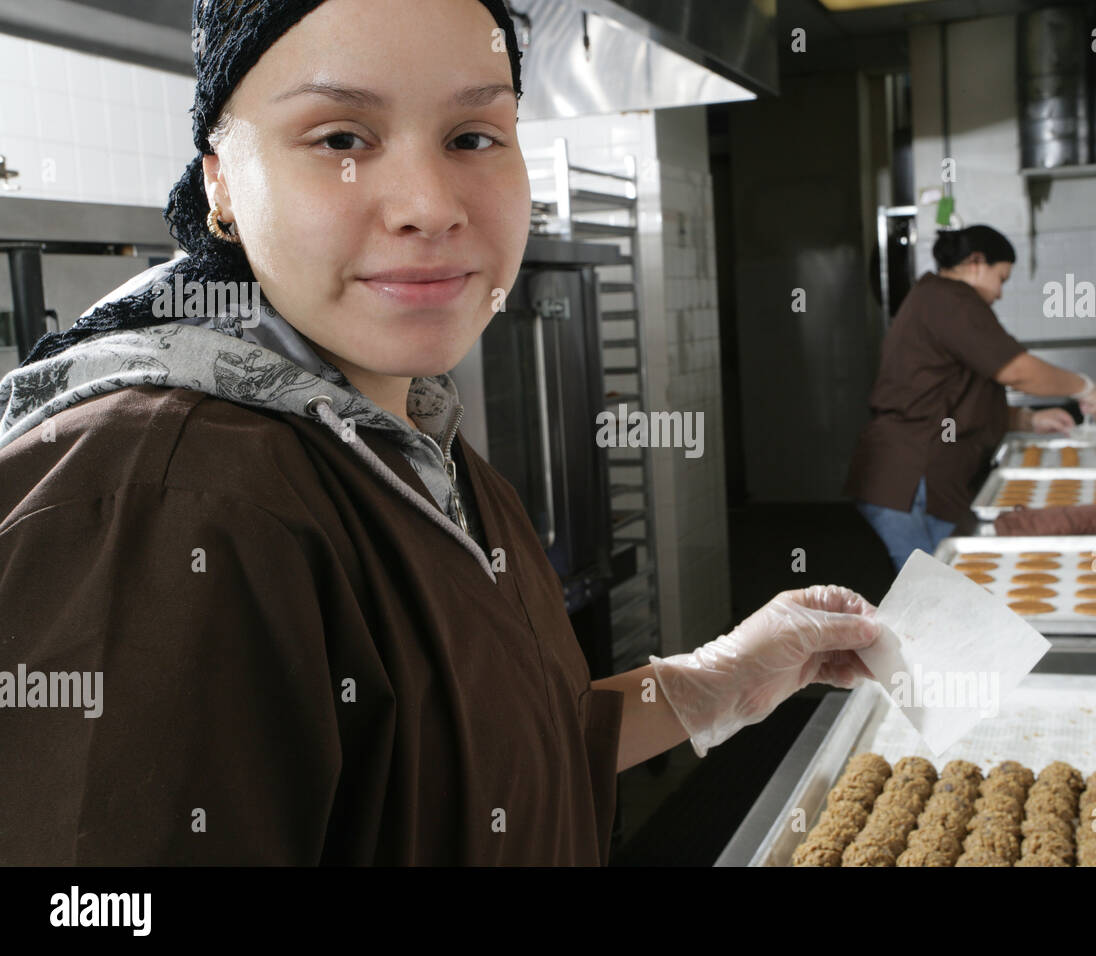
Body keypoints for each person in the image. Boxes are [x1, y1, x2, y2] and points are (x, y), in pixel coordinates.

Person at [0, 0, 878, 865]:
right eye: (340, 138)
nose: (430, 205)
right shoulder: (162, 498)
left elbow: (476, 769)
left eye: (472, 136)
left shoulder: (403, 437)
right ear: (220, 181)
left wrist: (716, 681)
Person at [843, 225, 1096, 572]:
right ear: (976, 261)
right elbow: (1016, 371)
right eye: (1001, 278)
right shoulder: (949, 298)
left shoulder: (939, 299)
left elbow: (956, 394)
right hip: (909, 476)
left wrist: (1029, 420)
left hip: (918, 473)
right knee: (932, 590)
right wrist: (1084, 386)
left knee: (941, 584)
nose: (1000, 293)